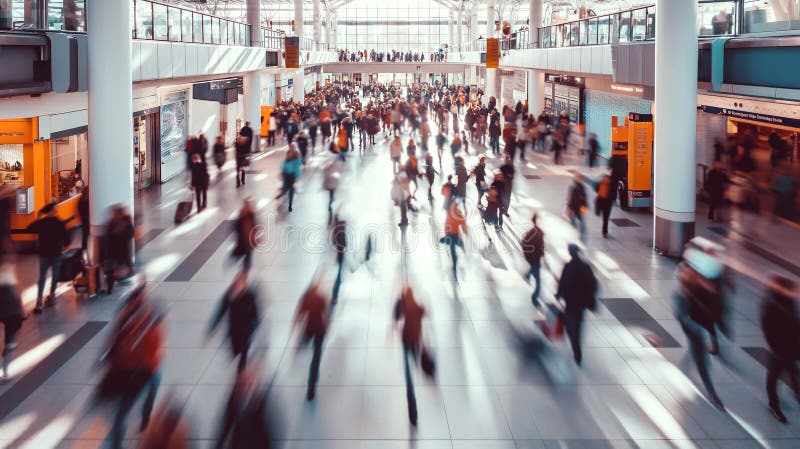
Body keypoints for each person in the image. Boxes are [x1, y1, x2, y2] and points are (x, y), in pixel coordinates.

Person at [101, 285, 164, 449]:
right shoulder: (128, 320)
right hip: (133, 374)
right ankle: (122, 438)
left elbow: (151, 350)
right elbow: (115, 343)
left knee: (150, 390)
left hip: (143, 371)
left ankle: (145, 418)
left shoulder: (149, 318)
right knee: (120, 415)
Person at [674, 249, 725, 409]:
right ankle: (711, 393)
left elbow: (713, 308)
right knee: (702, 360)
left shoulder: (704, 287)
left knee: (696, 351)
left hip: (701, 326)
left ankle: (683, 368)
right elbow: (681, 316)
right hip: (694, 329)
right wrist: (697, 329)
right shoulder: (682, 294)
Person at [761, 275, 800, 423]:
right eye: (792, 290)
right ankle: (773, 405)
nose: (795, 293)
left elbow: (794, 322)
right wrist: (776, 348)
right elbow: (768, 329)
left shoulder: (788, 301)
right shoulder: (771, 304)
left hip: (792, 347)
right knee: (773, 378)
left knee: (794, 374)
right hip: (779, 350)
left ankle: (797, 395)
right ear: (783, 289)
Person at [209, 271, 260, 373]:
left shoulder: (250, 295)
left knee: (244, 351)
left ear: (245, 284)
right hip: (234, 330)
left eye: (241, 283)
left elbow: (255, 312)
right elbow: (221, 311)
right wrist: (212, 327)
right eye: (237, 282)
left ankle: (241, 369)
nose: (238, 285)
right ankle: (238, 356)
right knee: (235, 350)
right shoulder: (229, 295)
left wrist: (254, 325)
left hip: (246, 330)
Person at [555, 244, 597, 365]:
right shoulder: (585, 267)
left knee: (571, 326)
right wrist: (590, 298)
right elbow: (593, 283)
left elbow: (562, 282)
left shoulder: (568, 267)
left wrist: (558, 294)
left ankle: (576, 346)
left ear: (570, 253)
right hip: (581, 302)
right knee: (577, 323)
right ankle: (576, 343)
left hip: (571, 301)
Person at [27, 203, 69, 314]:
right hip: (56, 254)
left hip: (44, 254)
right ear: (52, 211)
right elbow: (67, 240)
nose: (56, 210)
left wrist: (38, 217)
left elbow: (29, 228)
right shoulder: (59, 223)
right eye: (55, 209)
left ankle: (39, 300)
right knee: (55, 276)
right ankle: (51, 296)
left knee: (42, 277)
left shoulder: (42, 222)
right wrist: (63, 247)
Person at [393, 286, 426, 426]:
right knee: (414, 365)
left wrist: (399, 300)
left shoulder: (405, 307)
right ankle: (418, 366)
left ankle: (412, 411)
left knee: (408, 376)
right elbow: (423, 311)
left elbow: (396, 316)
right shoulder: (417, 307)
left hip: (406, 342)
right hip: (415, 342)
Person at [294, 279, 329, 401]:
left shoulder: (306, 298)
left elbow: (299, 314)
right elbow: (325, 314)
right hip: (319, 330)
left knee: (307, 343)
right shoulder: (321, 297)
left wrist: (295, 325)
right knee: (316, 357)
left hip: (310, 328)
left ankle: (301, 346)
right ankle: (311, 387)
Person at [103, 205, 135, 295]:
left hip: (122, 250)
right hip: (113, 251)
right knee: (111, 269)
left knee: (119, 267)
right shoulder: (111, 223)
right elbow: (108, 236)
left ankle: (119, 279)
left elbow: (129, 235)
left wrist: (116, 234)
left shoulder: (126, 223)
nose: (114, 214)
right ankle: (110, 287)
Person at [0, 262, 23, 379]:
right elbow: (17, 302)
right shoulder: (11, 289)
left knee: (10, 341)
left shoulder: (5, 289)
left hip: (7, 316)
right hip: (14, 317)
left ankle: (9, 346)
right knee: (10, 342)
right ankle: (4, 372)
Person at [521, 214, 545, 307]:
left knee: (533, 268)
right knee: (538, 281)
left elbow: (523, 242)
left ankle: (528, 274)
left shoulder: (532, 232)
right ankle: (535, 296)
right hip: (535, 259)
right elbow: (541, 247)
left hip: (531, 258)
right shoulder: (539, 233)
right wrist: (540, 253)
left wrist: (527, 254)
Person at [441, 202, 467, 278]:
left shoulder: (456, 213)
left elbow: (463, 222)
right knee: (453, 250)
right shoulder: (451, 213)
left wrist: (465, 230)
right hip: (451, 235)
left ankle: (461, 245)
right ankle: (455, 266)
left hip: (454, 235)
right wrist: (446, 234)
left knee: (455, 247)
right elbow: (446, 224)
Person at [276, 144, 303, 212]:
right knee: (285, 186)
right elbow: (283, 167)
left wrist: (296, 176)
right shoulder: (285, 160)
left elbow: (297, 167)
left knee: (289, 188)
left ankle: (287, 198)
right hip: (286, 175)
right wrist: (281, 173)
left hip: (292, 176)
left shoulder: (295, 159)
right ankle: (283, 192)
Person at [232, 199, 257, 271]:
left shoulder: (249, 214)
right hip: (245, 241)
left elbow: (254, 226)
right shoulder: (243, 215)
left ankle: (245, 270)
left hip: (247, 241)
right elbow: (237, 228)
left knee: (246, 257)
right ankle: (244, 270)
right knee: (245, 255)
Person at [323, 155, 344, 224]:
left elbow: (325, 172)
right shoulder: (336, 165)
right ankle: (332, 208)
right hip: (333, 184)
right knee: (332, 196)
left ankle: (331, 207)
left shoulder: (329, 165)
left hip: (330, 184)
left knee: (331, 196)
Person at [566, 173, 587, 237]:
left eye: (580, 178)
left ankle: (581, 230)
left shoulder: (582, 186)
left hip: (580, 207)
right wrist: (569, 207)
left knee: (581, 219)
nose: (580, 179)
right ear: (575, 178)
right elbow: (569, 197)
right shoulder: (573, 186)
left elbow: (584, 196)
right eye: (578, 178)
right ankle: (574, 230)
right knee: (573, 220)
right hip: (573, 207)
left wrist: (584, 206)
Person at [595, 172, 614, 238]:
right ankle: (598, 211)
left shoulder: (611, 186)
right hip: (600, 201)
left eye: (607, 179)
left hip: (607, 203)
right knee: (597, 213)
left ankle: (604, 232)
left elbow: (613, 194)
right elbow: (595, 188)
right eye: (604, 178)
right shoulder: (600, 183)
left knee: (605, 218)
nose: (606, 180)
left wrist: (611, 201)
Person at [78, 185, 90, 253]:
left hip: (83, 218)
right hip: (87, 218)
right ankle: (86, 247)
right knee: (87, 233)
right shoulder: (87, 200)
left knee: (85, 233)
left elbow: (80, 210)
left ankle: (84, 247)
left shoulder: (81, 199)